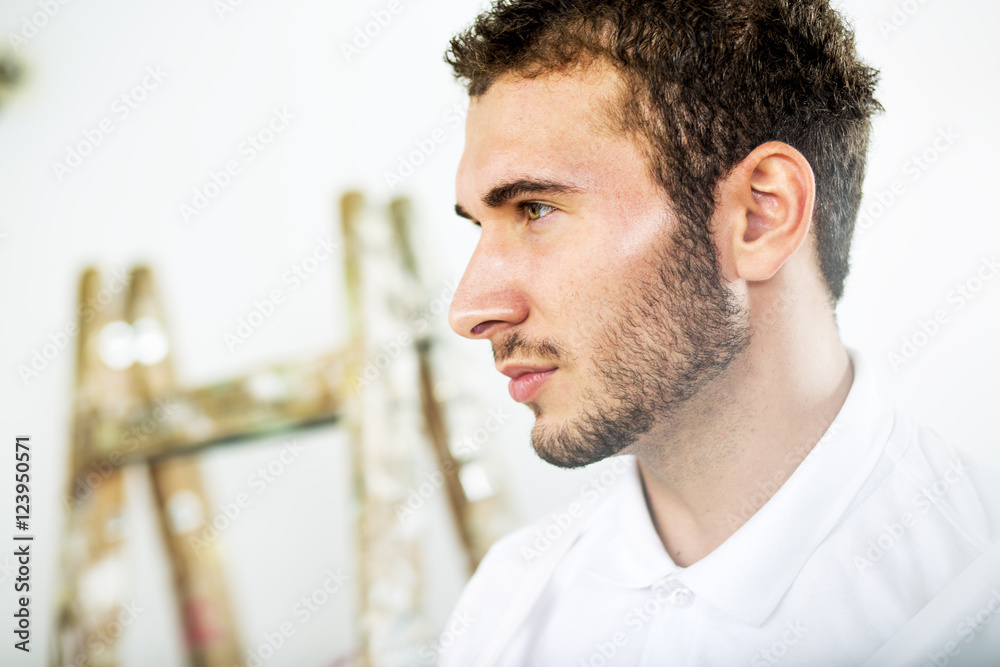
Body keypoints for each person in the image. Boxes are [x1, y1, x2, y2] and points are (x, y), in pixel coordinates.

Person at [439, 0, 1000, 664]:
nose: (469, 309)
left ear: (760, 217)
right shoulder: (501, 613)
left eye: (535, 208)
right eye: (480, 225)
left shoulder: (975, 598)